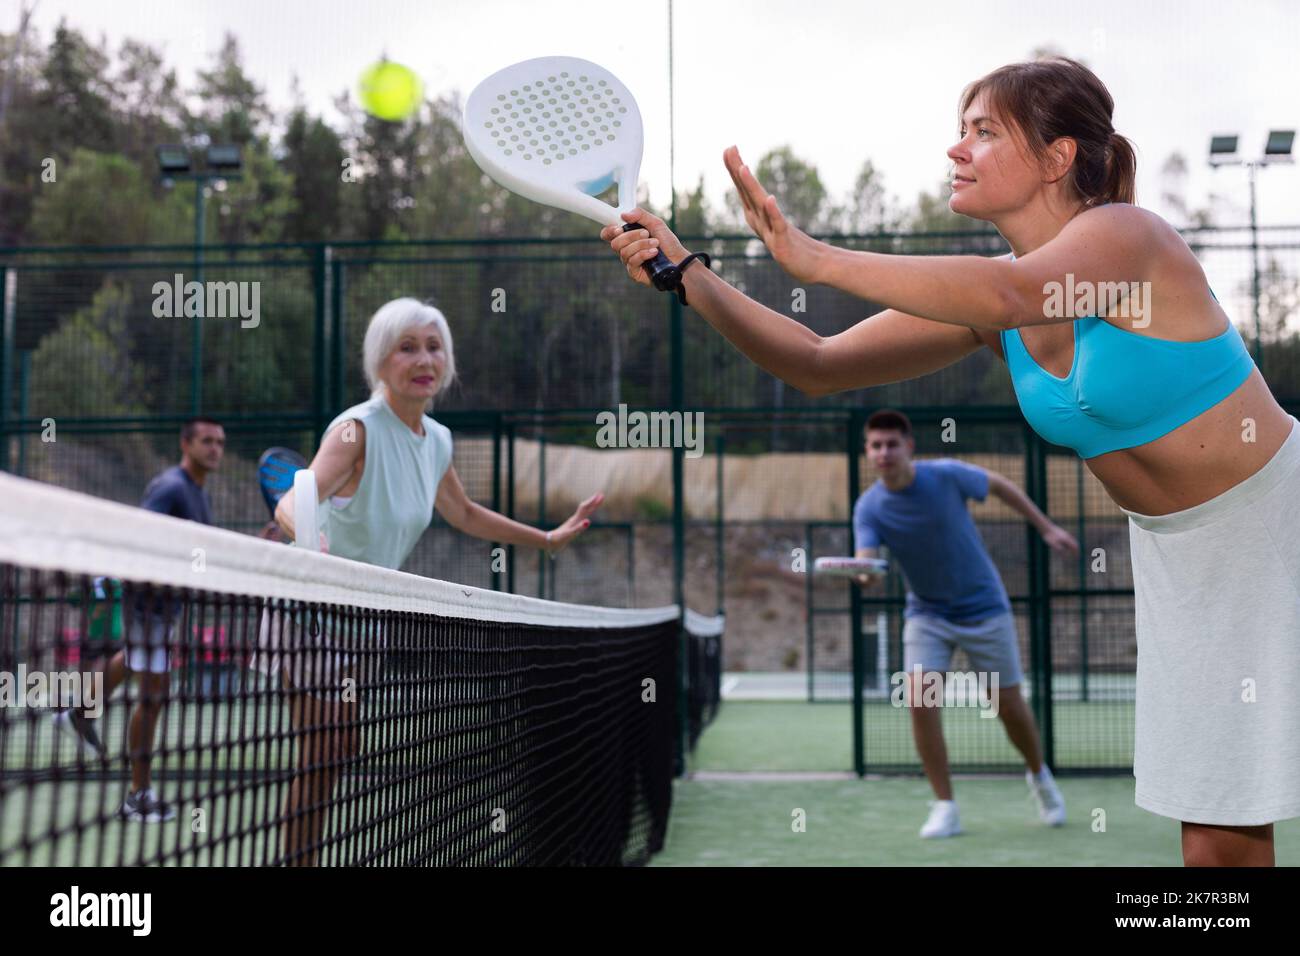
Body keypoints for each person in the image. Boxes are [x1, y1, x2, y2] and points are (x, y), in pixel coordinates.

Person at [604, 57, 1299, 866]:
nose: (956, 150)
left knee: (1223, 834)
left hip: (1278, 518)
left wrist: (814, 258)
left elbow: (1012, 294)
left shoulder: (1127, 238)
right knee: (1217, 837)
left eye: (982, 131)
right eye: (960, 131)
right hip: (1181, 555)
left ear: (1057, 156)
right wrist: (688, 276)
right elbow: (818, 361)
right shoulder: (996, 306)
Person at [269, 297, 603, 865]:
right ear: (381, 361)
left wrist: (546, 539)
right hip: (306, 605)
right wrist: (309, 541)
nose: (425, 359)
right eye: (407, 348)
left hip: (358, 614)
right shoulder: (355, 431)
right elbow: (293, 497)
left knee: (340, 748)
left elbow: (465, 513)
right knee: (322, 751)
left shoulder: (438, 440)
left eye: (434, 347)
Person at [853, 408, 1077, 837]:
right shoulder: (869, 508)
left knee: (1007, 707)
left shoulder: (947, 476)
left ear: (908, 448)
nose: (884, 452)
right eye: (876, 445)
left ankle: (1039, 776)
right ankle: (945, 806)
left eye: (891, 444)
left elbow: (999, 485)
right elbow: (866, 564)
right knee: (920, 698)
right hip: (928, 616)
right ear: (867, 451)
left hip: (985, 609)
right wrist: (863, 576)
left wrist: (1045, 528)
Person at [52, 417, 227, 823]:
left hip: (166, 606)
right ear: (186, 444)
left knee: (133, 661)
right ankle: (138, 795)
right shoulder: (171, 488)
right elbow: (137, 536)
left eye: (220, 442)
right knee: (154, 695)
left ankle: (78, 713)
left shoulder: (199, 493)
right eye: (207, 441)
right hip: (148, 606)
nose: (215, 449)